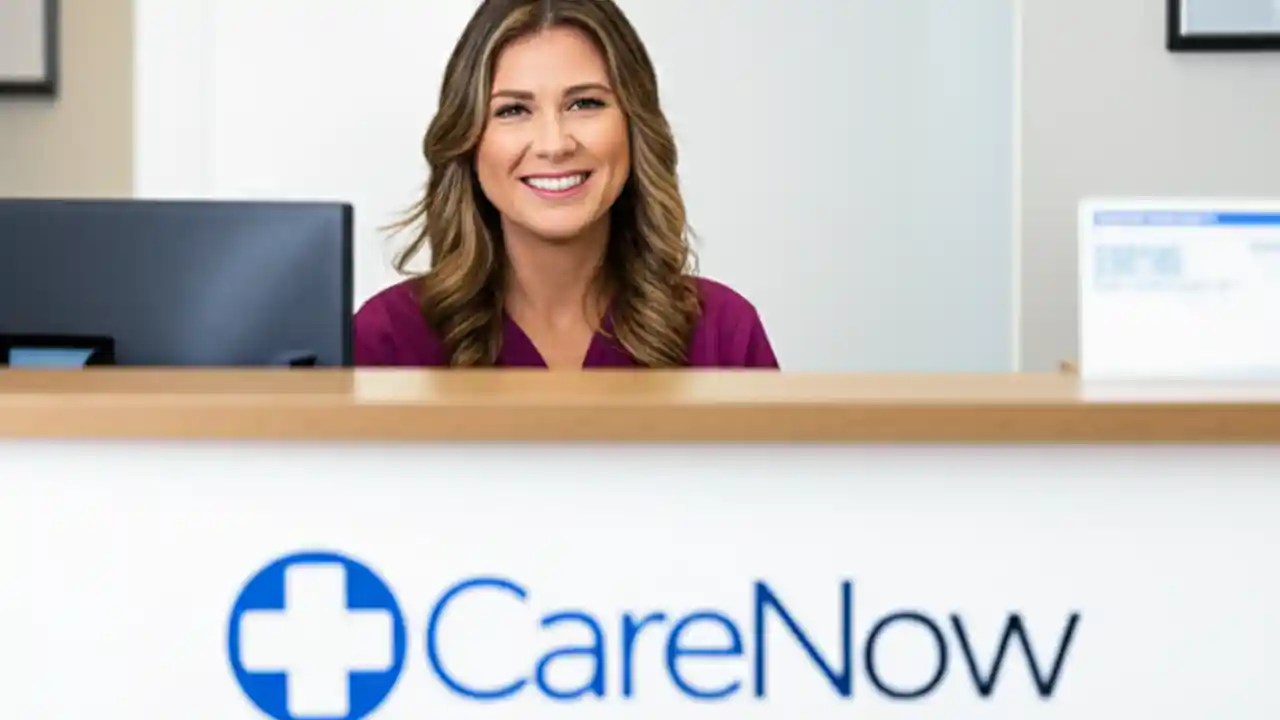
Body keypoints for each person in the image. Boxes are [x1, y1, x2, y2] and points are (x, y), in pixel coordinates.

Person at [354, 0, 778, 369]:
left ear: (634, 128)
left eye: (585, 103)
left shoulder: (722, 334)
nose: (554, 145)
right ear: (468, 140)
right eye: (514, 110)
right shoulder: (389, 340)